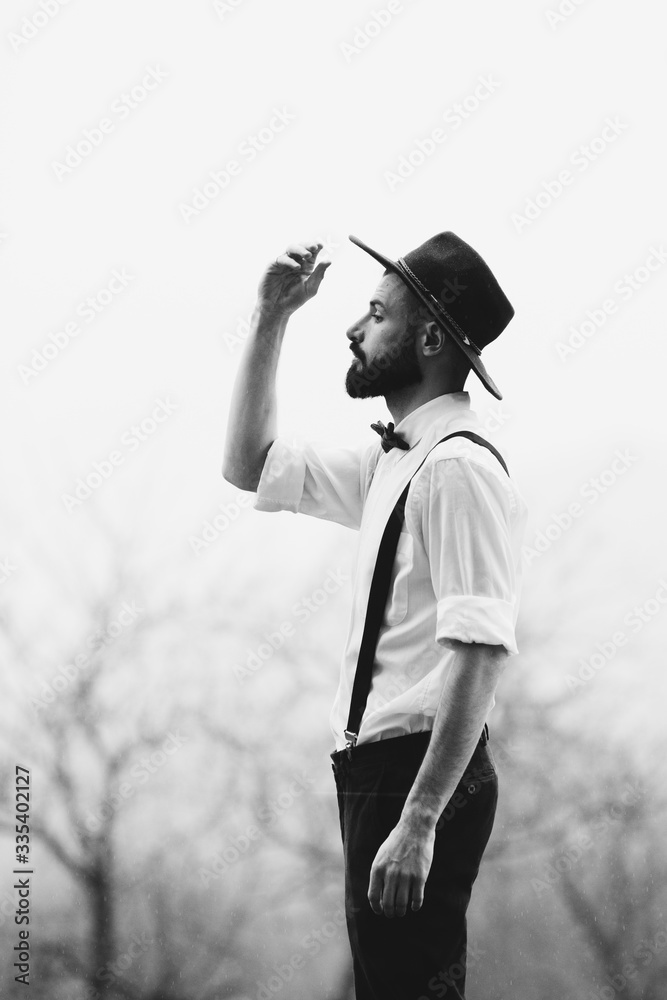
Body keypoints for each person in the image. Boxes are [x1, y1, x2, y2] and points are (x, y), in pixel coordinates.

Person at [222, 231, 528, 1000]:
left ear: (428, 338)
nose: (355, 329)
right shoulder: (397, 460)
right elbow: (249, 463)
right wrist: (269, 319)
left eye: (375, 314)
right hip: (374, 775)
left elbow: (478, 652)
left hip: (417, 774)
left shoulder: (456, 467)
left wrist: (420, 818)